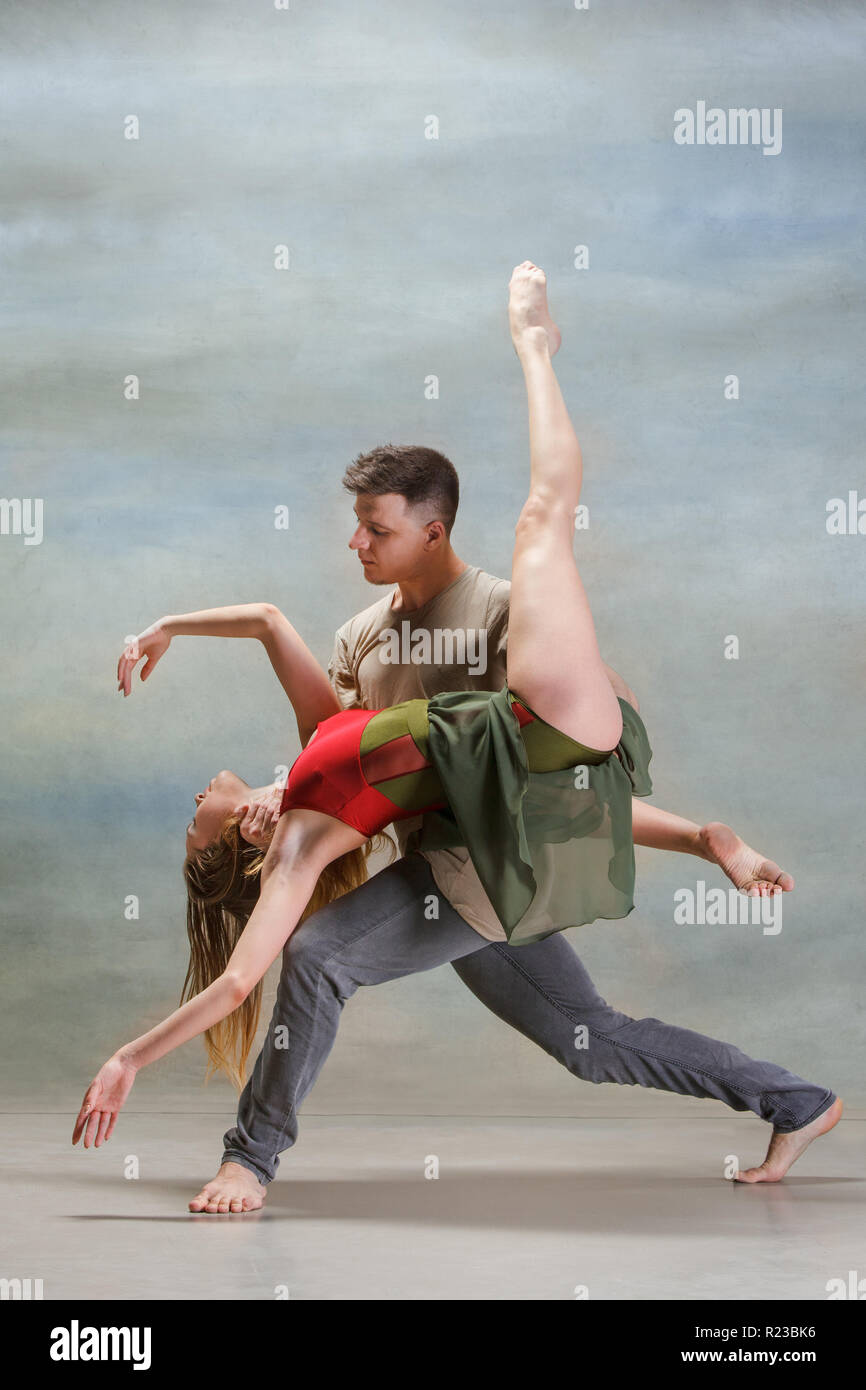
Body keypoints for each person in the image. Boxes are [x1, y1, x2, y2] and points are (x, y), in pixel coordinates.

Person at [73, 263, 841, 1207]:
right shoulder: (362, 643)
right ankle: (794, 1099)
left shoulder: (504, 616)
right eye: (355, 527)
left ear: (433, 533)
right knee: (586, 1040)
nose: (355, 546)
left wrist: (700, 839)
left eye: (374, 530)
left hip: (486, 872)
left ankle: (250, 1157)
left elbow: (555, 784)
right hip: (464, 874)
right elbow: (332, 742)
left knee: (319, 959)